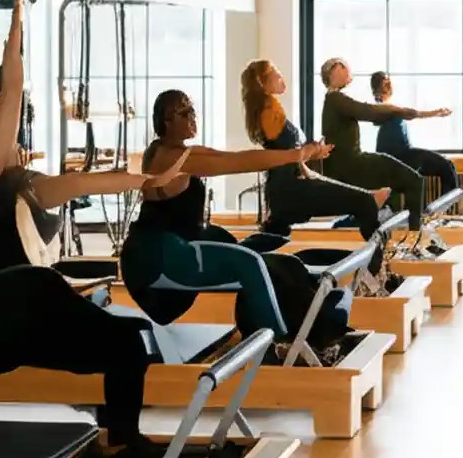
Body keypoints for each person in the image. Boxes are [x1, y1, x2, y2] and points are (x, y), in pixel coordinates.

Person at [0, 0, 188, 458]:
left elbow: (88, 181)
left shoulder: (32, 190)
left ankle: (118, 435)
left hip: (6, 319)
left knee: (126, 340)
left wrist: (148, 180)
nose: (17, 149)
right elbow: (12, 93)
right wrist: (16, 31)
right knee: (36, 285)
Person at [120, 88, 336, 326]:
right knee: (249, 263)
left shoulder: (177, 151)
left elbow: (233, 156)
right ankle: (278, 342)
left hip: (173, 246)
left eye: (192, 109)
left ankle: (314, 316)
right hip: (155, 255)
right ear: (166, 122)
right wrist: (298, 154)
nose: (193, 115)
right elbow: (239, 163)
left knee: (272, 252)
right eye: (184, 112)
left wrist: (299, 154)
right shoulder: (171, 157)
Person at [241, 59, 392, 240]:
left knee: (364, 200)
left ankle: (377, 258)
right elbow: (282, 154)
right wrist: (310, 151)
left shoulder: (273, 109)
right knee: (365, 201)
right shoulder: (267, 111)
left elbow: (288, 152)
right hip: (289, 189)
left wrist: (313, 154)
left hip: (288, 186)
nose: (280, 74)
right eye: (274, 71)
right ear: (262, 82)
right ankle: (380, 263)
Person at [319, 57, 429, 234]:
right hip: (351, 165)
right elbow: (368, 112)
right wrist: (398, 110)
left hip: (349, 164)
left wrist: (402, 112)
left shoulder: (335, 100)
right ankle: (414, 235)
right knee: (413, 180)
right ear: (335, 69)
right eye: (346, 67)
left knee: (406, 181)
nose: (349, 72)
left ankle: (401, 226)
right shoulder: (335, 99)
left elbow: (371, 113)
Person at [369, 70, 458, 196]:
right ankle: (446, 206)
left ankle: (447, 205)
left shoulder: (389, 106)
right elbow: (412, 114)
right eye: (385, 82)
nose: (389, 85)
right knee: (445, 165)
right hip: (399, 157)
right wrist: (436, 112)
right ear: (379, 87)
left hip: (404, 153)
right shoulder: (383, 108)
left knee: (447, 166)